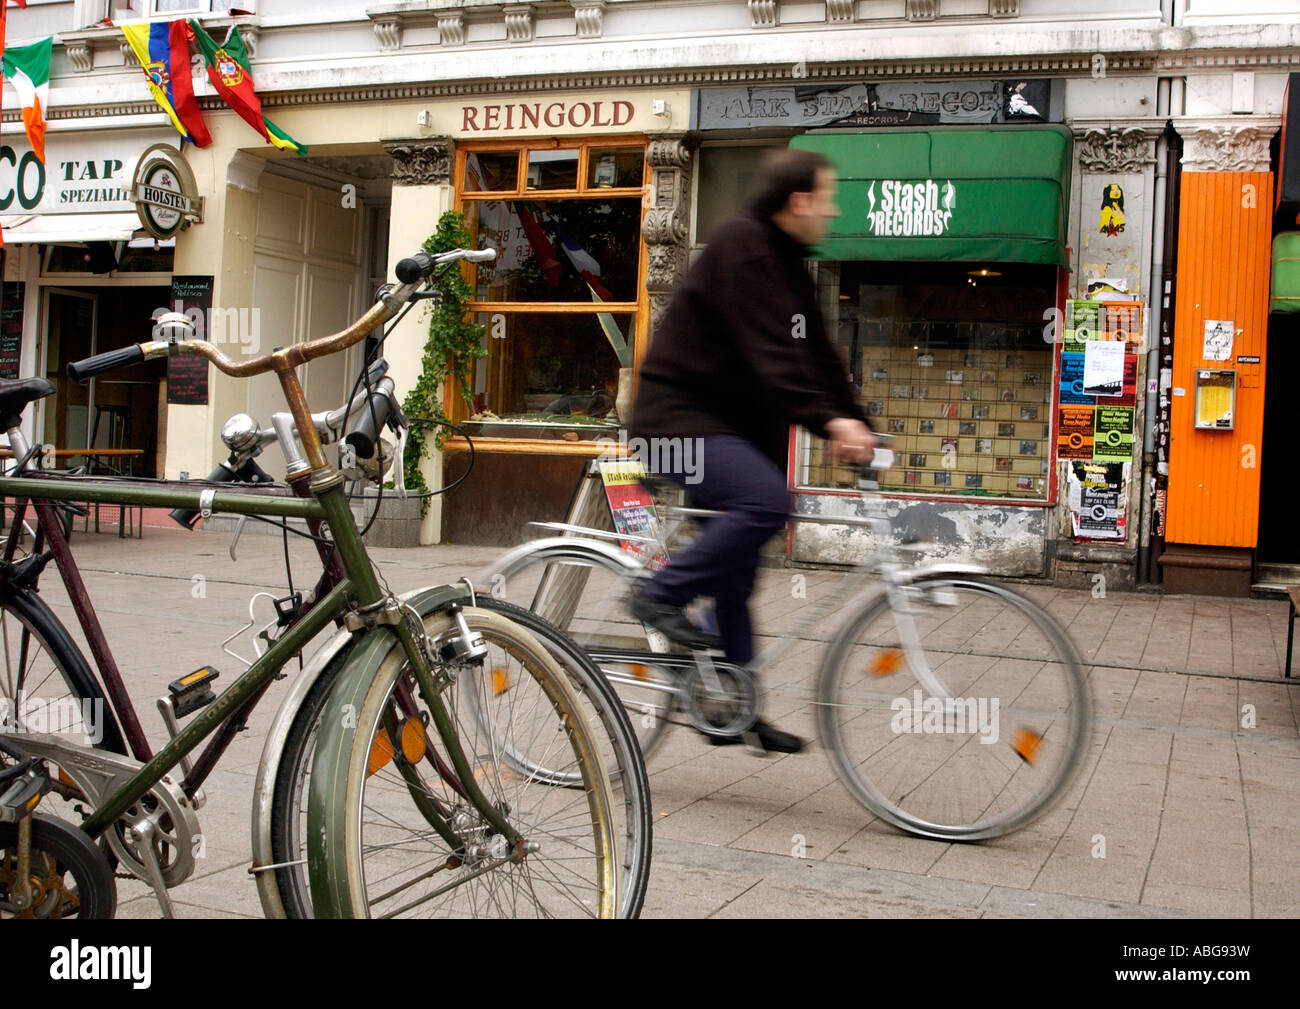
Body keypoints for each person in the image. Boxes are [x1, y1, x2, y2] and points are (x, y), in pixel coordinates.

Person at [627, 147, 876, 754]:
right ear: (799, 202)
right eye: (828, 197)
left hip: (724, 433)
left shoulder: (789, 262)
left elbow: (818, 358)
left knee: (738, 582)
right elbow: (773, 362)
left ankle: (734, 706)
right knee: (768, 501)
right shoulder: (743, 246)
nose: (834, 210)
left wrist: (859, 423)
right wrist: (829, 423)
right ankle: (657, 594)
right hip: (674, 429)